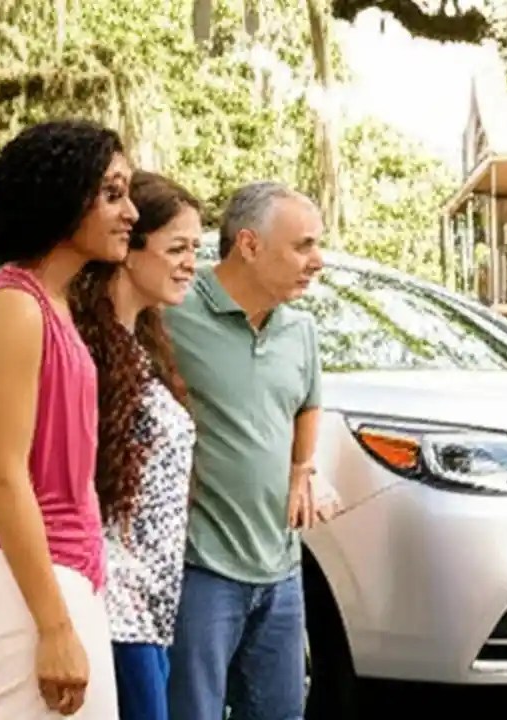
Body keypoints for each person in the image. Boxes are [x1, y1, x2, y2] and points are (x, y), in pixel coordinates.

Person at [0, 119, 139, 719]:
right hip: (23, 578)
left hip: (60, 571)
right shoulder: (14, 307)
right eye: (112, 193)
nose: (131, 210)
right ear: (61, 198)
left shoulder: (54, 306)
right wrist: (54, 625)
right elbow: (4, 476)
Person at [164, 181, 329, 719]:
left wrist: (303, 466)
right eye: (303, 245)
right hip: (202, 566)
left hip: (281, 570)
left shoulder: (300, 329)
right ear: (249, 245)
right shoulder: (172, 311)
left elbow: (308, 402)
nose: (317, 261)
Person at [69, 171, 202, 719]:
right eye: (176, 247)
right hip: (113, 607)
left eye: (196, 247)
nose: (191, 262)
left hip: (152, 609)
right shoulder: (86, 352)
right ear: (128, 250)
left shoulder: (144, 346)